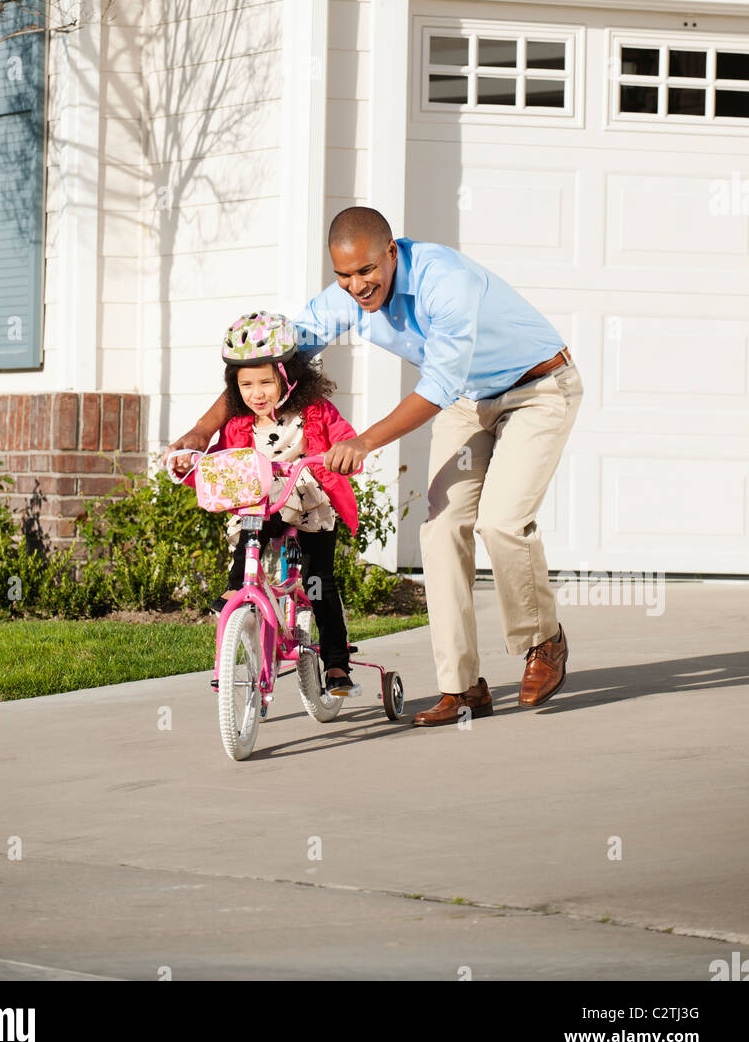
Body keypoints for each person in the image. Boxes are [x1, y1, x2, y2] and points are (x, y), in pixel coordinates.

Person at [165, 209, 583, 726]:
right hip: (469, 400)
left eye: (366, 271)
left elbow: (437, 386)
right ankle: (463, 687)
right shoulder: (344, 298)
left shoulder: (444, 282)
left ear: (392, 252)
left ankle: (544, 641)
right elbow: (271, 362)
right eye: (344, 275)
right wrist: (204, 430)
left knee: (499, 522)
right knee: (442, 530)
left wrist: (362, 442)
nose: (357, 286)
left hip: (537, 388)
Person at [171, 311, 360, 695]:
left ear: (287, 378)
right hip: (262, 507)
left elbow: (343, 435)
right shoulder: (240, 424)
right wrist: (190, 460)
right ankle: (239, 586)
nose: (256, 393)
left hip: (308, 504)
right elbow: (224, 465)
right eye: (246, 385)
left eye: (265, 382)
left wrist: (346, 450)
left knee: (318, 582)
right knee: (250, 518)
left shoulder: (314, 411)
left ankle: (337, 665)